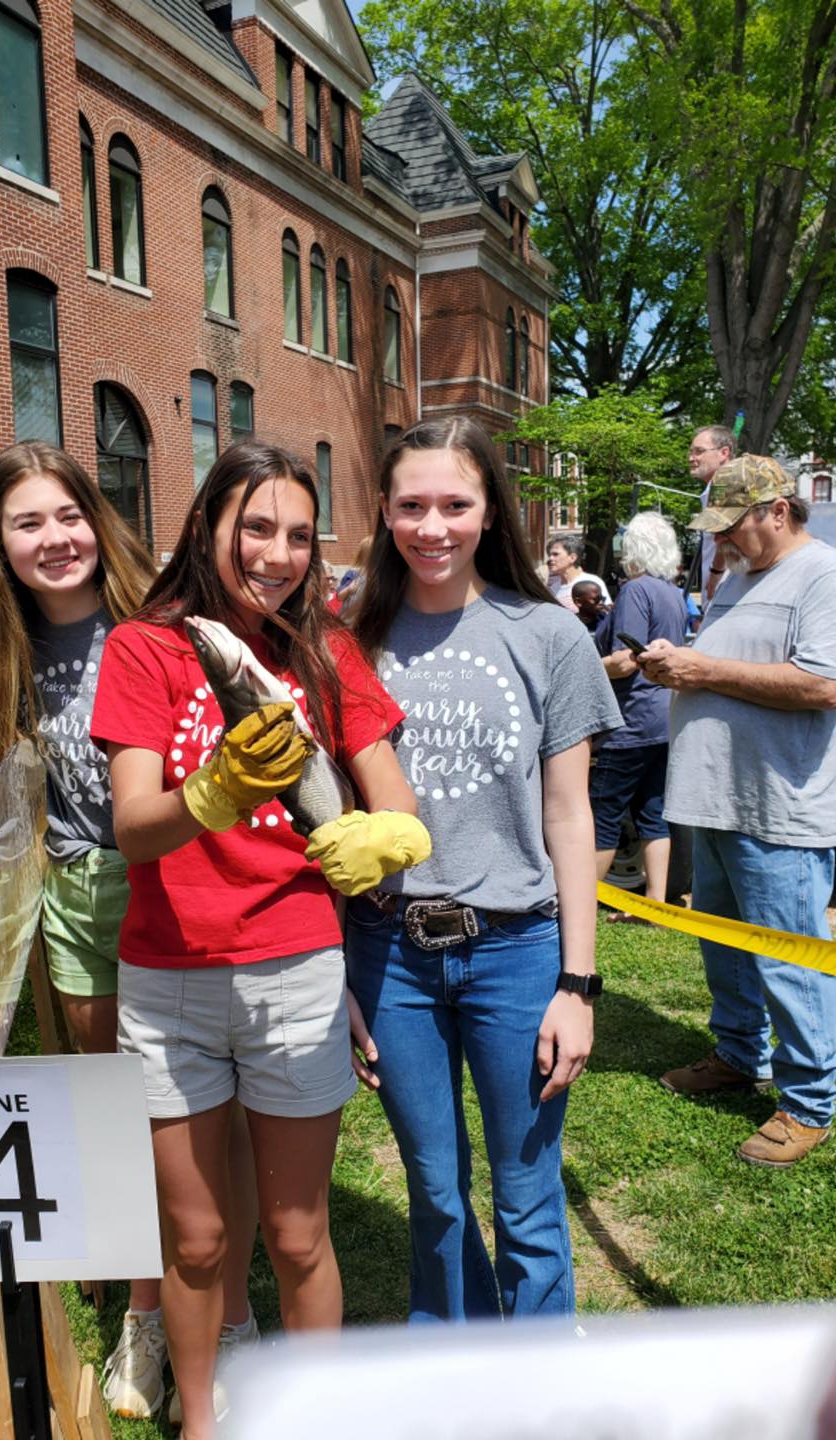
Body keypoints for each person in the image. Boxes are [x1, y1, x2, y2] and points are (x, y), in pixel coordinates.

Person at [90, 441, 429, 1439]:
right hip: (169, 983)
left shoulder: (328, 650)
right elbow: (134, 822)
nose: (278, 554)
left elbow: (390, 789)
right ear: (207, 526)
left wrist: (392, 833)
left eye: (295, 533)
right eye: (256, 528)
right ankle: (202, 1423)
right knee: (196, 1243)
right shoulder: (146, 648)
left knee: (296, 1231)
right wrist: (216, 792)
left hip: (297, 976)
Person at [0, 441, 239, 1421]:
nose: (54, 538)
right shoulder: (1, 653)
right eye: (27, 522)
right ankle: (146, 1312)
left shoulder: (163, 626)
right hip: (83, 898)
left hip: (185, 885)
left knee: (206, 1118)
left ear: (99, 518)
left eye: (67, 515)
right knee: (119, 1112)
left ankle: (222, 1311)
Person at [346, 416, 621, 1322]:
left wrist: (577, 984)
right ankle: (457, 1372)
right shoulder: (349, 636)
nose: (434, 527)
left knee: (528, 1198)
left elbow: (569, 816)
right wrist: (337, 972)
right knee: (432, 1192)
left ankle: (539, 1390)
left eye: (455, 505)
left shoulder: (548, 634)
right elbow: (327, 816)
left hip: (516, 951)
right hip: (391, 956)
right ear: (384, 512)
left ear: (490, 511)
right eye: (413, 505)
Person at [641, 456, 836, 1167]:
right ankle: (737, 1054)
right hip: (716, 799)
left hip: (778, 806)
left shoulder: (823, 575)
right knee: (724, 945)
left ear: (777, 511)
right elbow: (723, 662)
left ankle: (811, 1100)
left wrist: (702, 671)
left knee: (790, 959)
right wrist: (676, 661)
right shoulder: (742, 578)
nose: (720, 541)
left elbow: (823, 684)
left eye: (732, 527)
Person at [590, 512, 687, 916]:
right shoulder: (672, 592)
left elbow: (627, 660)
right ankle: (655, 906)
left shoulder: (635, 591)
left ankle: (579, 902)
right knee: (653, 812)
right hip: (667, 718)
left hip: (630, 721)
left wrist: (583, 666)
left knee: (602, 812)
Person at [688, 425, 736, 604]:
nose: (691, 458)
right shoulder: (725, 484)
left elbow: (724, 534)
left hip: (723, 591)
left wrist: (715, 575)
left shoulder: (721, 485)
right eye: (691, 452)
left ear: (724, 453)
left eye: (699, 451)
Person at [546, 533, 610, 613]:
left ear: (572, 558)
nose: (550, 558)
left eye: (555, 554)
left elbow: (606, 613)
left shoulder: (592, 582)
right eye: (549, 555)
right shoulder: (552, 589)